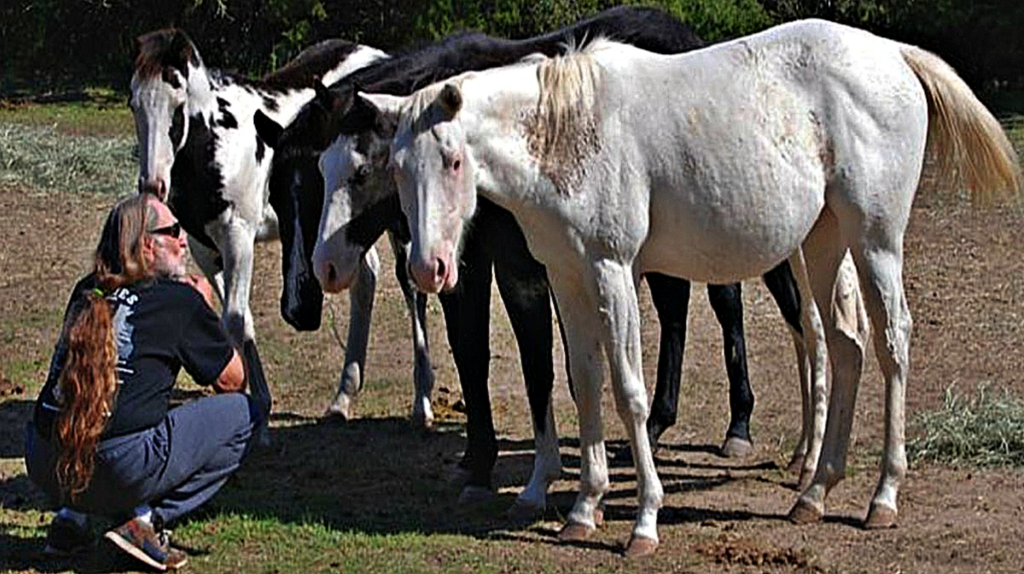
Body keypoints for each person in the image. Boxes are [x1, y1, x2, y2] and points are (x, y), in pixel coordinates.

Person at [24, 192, 261, 571]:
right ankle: (144, 519)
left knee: (91, 403)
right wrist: (206, 311)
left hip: (43, 460)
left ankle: (72, 517)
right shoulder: (178, 301)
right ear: (149, 245)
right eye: (175, 231)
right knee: (247, 413)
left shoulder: (88, 289)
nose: (184, 240)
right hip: (119, 466)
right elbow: (233, 381)